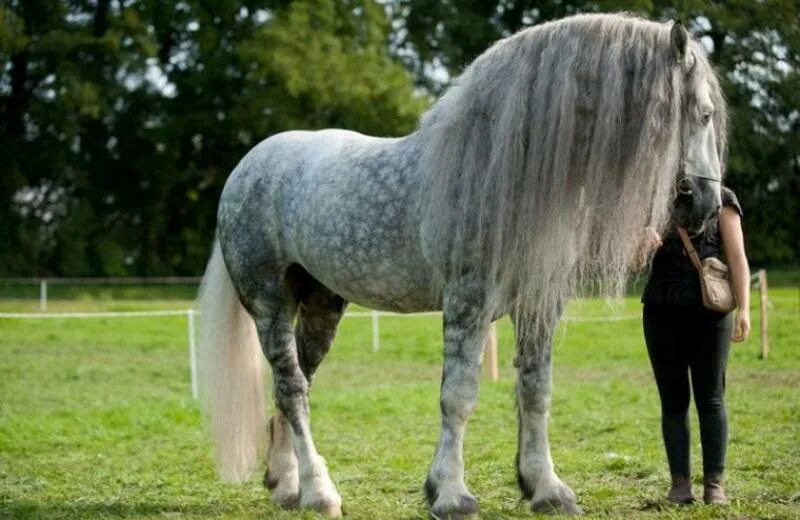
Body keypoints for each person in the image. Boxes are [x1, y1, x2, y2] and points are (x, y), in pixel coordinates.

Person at [640, 186, 751, 505]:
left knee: (711, 398)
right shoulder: (652, 197)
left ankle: (714, 485)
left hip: (711, 312)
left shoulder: (723, 198)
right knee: (673, 402)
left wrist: (744, 308)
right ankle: (680, 485)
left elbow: (737, 257)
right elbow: (634, 265)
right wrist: (642, 244)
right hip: (661, 310)